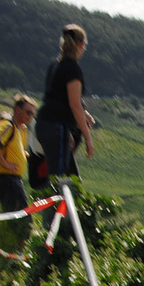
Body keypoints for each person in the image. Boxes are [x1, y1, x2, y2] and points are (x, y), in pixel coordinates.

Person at [35, 24, 94, 178]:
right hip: (57, 127)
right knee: (59, 178)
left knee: (64, 174)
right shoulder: (73, 68)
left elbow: (59, 95)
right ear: (81, 45)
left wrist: (84, 112)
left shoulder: (55, 65)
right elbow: (74, 104)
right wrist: (88, 138)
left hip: (43, 122)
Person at [0, 94, 38, 212]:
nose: (30, 116)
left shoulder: (21, 129)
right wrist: (5, 164)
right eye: (28, 112)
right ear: (17, 110)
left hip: (12, 179)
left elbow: (13, 149)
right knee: (22, 220)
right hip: (6, 179)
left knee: (17, 218)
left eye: (33, 114)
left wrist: (24, 157)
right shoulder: (7, 125)